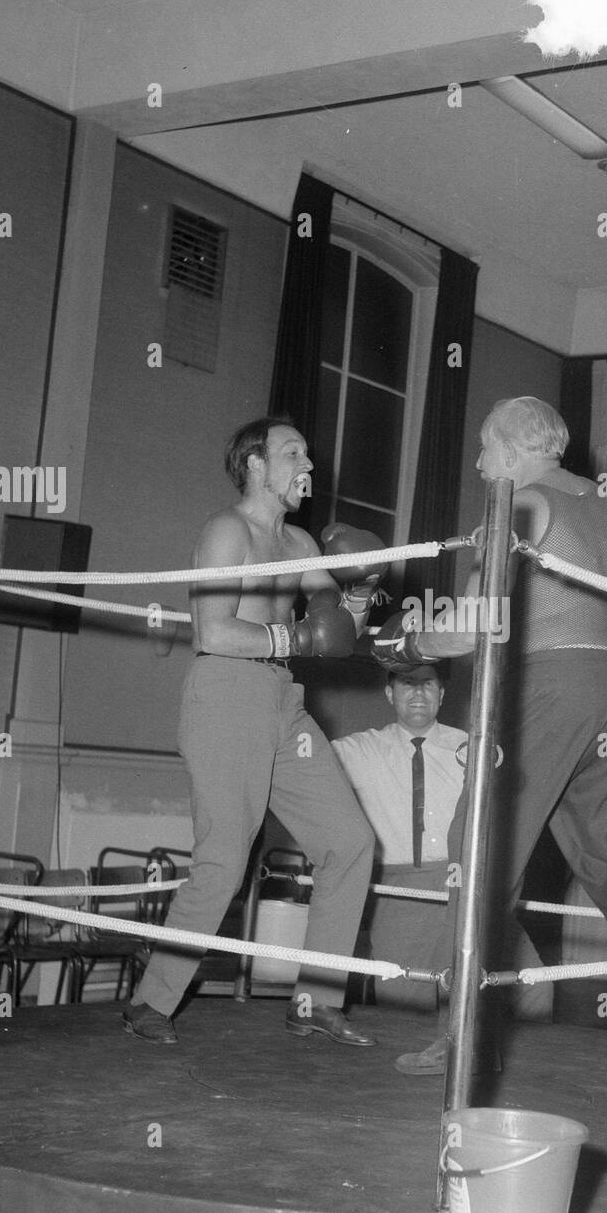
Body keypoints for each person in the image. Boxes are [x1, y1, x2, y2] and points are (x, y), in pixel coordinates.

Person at [375, 396, 607, 1094]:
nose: (477, 463)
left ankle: (461, 1039)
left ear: (511, 450)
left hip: (557, 687)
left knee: (478, 847)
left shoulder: (519, 505)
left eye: (483, 448)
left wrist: (402, 645)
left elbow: (475, 624)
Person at [123, 416, 385, 1048]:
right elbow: (211, 630)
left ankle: (314, 1000)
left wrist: (364, 586)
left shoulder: (299, 543)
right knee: (222, 862)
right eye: (293, 452)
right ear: (256, 465)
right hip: (225, 693)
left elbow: (337, 633)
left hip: (282, 701)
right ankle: (151, 1002)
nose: (309, 466)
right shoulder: (226, 530)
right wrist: (296, 635)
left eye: (309, 454)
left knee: (350, 842)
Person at [331, 664, 552, 1022]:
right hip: (399, 890)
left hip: (466, 884)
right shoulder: (359, 749)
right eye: (407, 684)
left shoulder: (474, 746)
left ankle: (520, 1071)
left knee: (533, 986)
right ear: (390, 694)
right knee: (402, 1002)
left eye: (428, 684)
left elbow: (519, 803)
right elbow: (302, 770)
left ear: (442, 694)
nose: (418, 694)